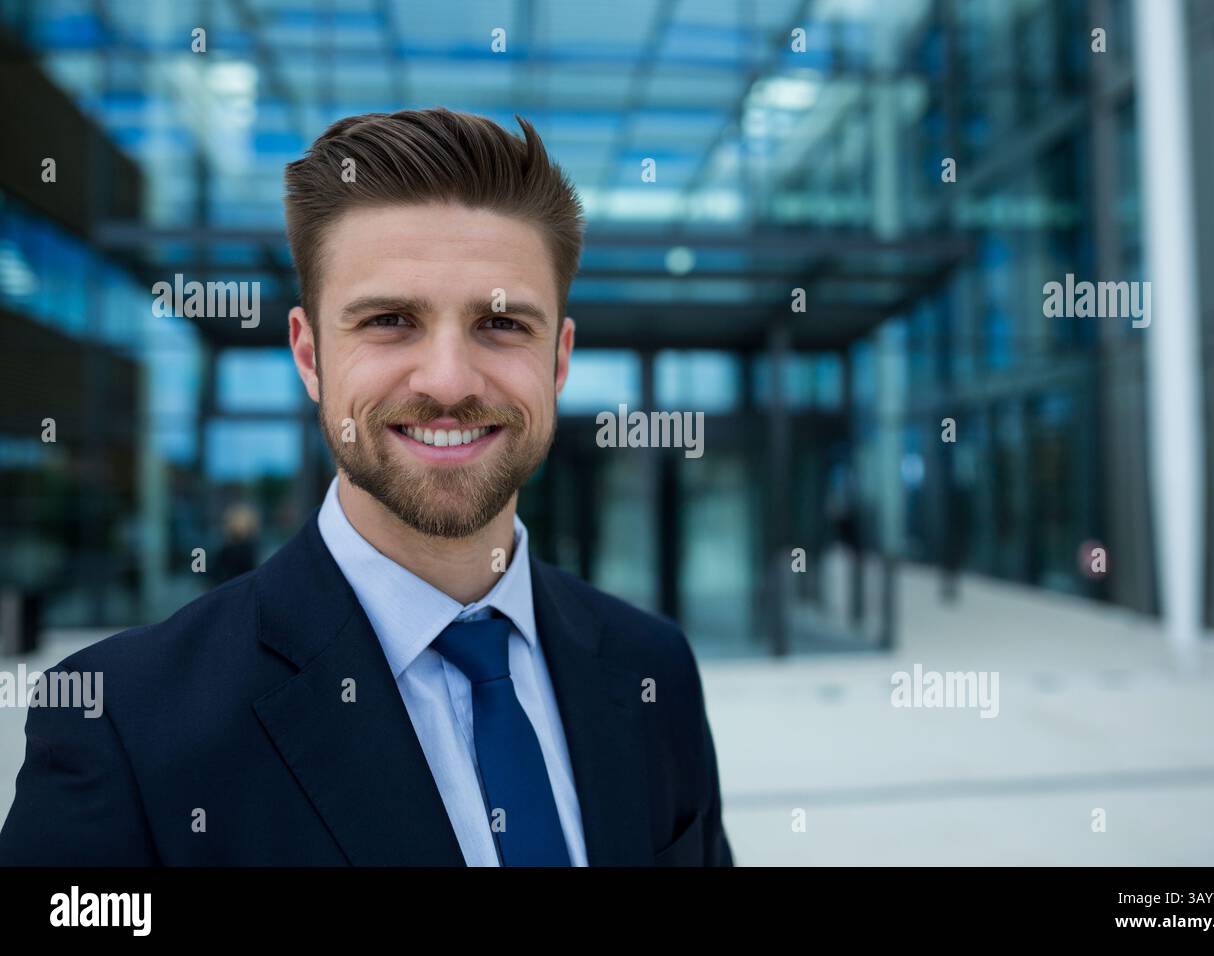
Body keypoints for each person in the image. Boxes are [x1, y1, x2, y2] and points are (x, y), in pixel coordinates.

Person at [0, 108, 732, 867]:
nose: (448, 381)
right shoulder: (123, 724)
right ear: (310, 356)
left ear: (558, 359)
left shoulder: (655, 669)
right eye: (389, 320)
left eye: (502, 324)